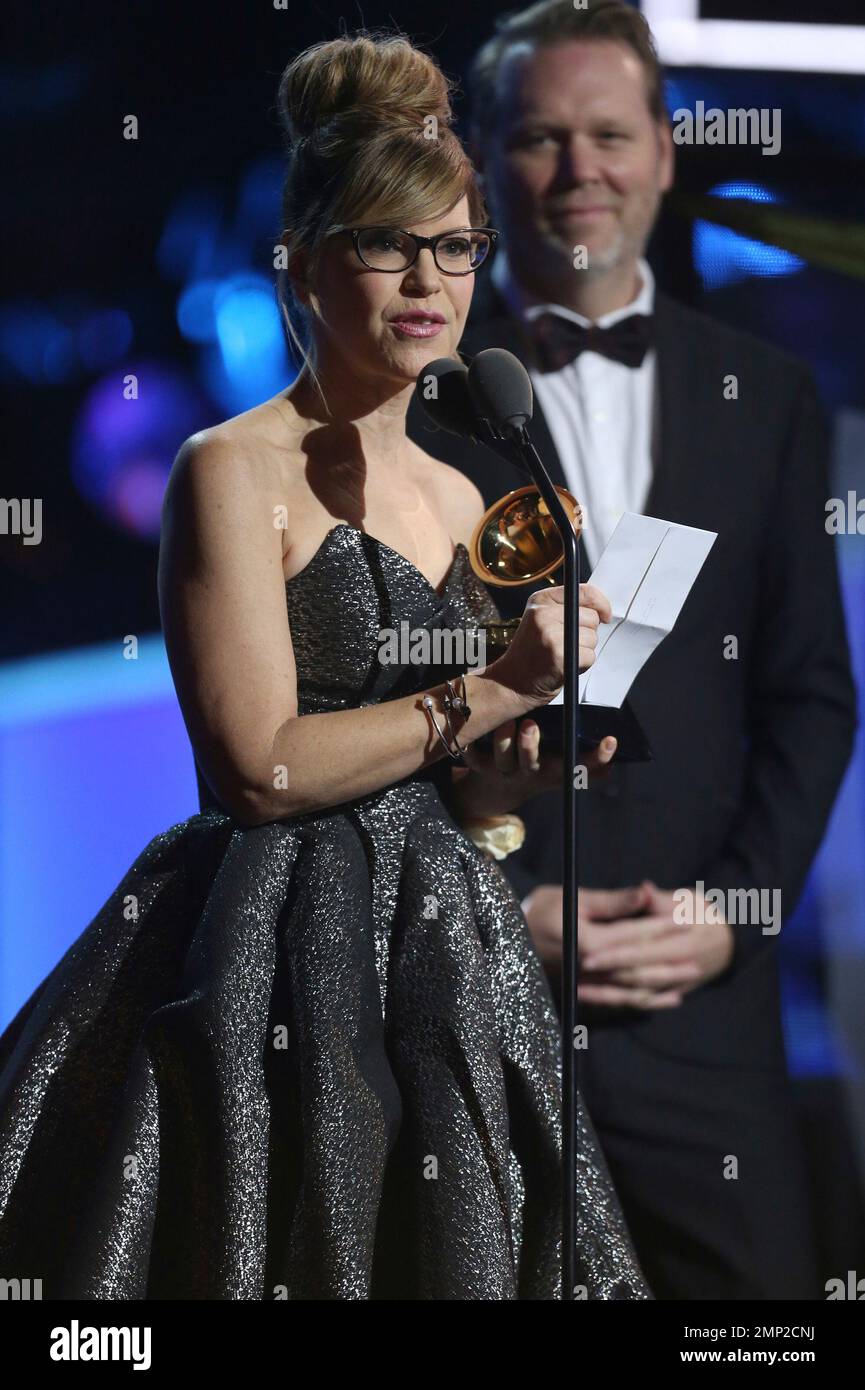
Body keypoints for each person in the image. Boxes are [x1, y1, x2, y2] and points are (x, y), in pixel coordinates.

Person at [0, 32, 650, 1301]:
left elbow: (464, 789)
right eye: (384, 243)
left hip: (454, 959)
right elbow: (258, 767)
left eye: (456, 246)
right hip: (275, 960)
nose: (429, 279)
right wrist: (503, 685)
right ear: (298, 266)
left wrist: (521, 763)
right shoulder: (229, 469)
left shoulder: (471, 482)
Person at [408, 0, 858, 1299]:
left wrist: (732, 913)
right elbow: (359, 701)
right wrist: (498, 915)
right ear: (483, 162)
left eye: (610, 133)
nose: (580, 170)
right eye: (541, 138)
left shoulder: (765, 396)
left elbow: (811, 695)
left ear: (665, 149)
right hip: (471, 1010)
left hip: (699, 1004)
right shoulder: (402, 397)